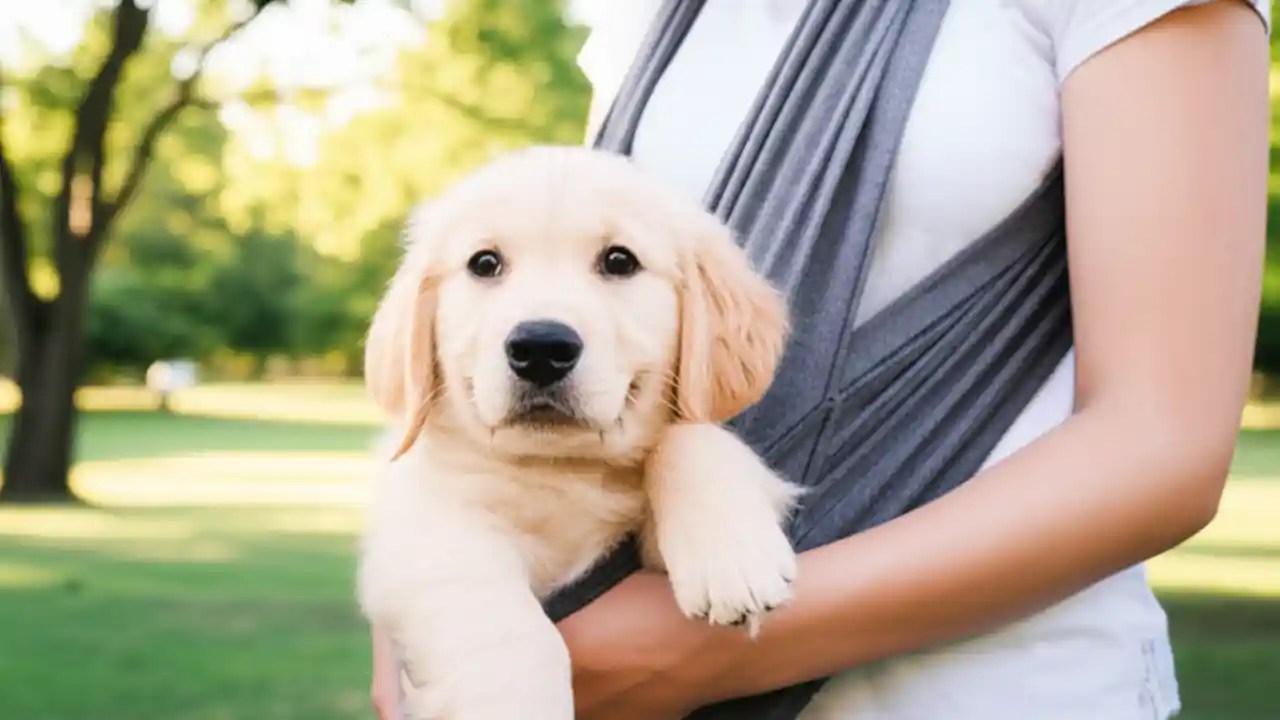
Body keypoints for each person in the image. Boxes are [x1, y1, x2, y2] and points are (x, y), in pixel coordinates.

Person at [371, 1, 1271, 718]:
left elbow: (1162, 445)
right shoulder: (644, 17)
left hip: (984, 691)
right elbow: (615, 353)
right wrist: (440, 595)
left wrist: (681, 656)